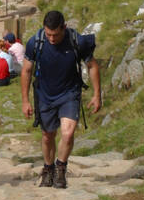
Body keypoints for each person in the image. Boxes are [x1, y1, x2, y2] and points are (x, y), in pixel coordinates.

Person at [21, 11, 101, 189]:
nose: (51, 38)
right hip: (44, 94)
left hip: (69, 93)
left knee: (68, 133)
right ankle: (48, 169)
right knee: (47, 135)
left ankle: (60, 168)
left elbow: (92, 66)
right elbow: (26, 70)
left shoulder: (77, 41)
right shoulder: (36, 42)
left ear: (64, 27)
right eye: (48, 34)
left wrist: (97, 95)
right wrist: (25, 100)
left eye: (55, 34)